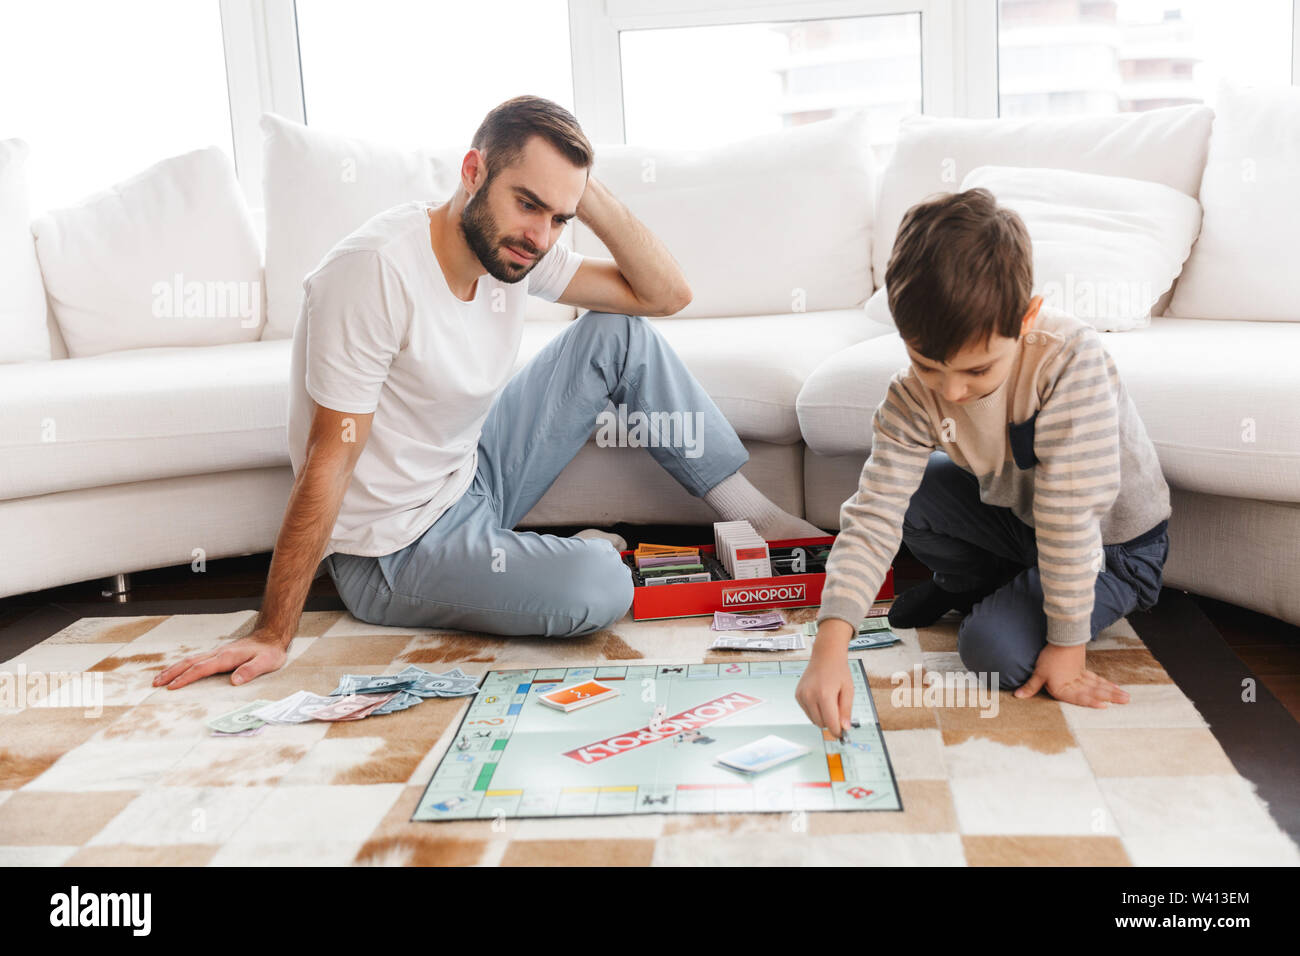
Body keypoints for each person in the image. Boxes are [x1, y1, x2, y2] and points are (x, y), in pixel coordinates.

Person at [155, 95, 821, 691]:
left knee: (617, 331)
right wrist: (274, 631)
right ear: (473, 171)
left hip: (471, 476)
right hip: (393, 549)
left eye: (558, 217)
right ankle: (561, 559)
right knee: (602, 587)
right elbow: (330, 460)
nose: (540, 235)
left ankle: (754, 514)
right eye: (527, 202)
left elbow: (664, 296)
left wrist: (579, 193)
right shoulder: (373, 274)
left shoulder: (517, 252)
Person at [796, 188, 1172, 736]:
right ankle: (971, 585)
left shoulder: (1069, 361)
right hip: (1023, 525)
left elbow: (1070, 517)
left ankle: (1003, 598)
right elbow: (875, 513)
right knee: (916, 497)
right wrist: (830, 643)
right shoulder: (911, 396)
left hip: (1110, 550)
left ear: (1027, 318)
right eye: (927, 365)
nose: (951, 391)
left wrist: (1067, 651)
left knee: (992, 649)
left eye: (977, 371)